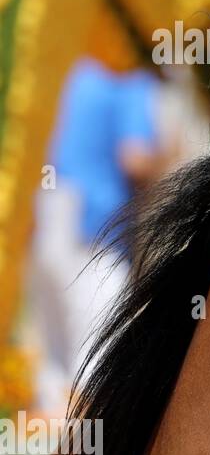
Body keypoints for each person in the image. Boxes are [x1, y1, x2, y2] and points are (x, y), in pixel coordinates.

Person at [26, 56, 163, 414]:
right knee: (97, 363)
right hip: (94, 235)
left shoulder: (75, 72)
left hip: (48, 221)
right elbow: (134, 158)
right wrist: (170, 160)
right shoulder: (132, 81)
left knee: (53, 367)